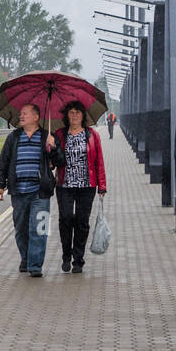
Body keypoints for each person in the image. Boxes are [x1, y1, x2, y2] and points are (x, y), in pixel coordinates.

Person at [0, 103, 64, 277]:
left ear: (35, 117)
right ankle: (25, 258)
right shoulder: (14, 137)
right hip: (18, 191)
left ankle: (35, 265)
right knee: (21, 229)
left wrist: (53, 148)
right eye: (21, 114)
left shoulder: (48, 137)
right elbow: (3, 161)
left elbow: (61, 161)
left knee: (39, 229)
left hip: (41, 192)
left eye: (24, 113)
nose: (21, 116)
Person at [53, 101, 107, 274]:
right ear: (66, 115)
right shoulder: (60, 134)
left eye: (77, 112)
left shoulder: (91, 135)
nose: (74, 115)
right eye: (71, 112)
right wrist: (51, 146)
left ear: (83, 115)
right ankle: (66, 256)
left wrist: (102, 185)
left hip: (87, 185)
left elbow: (99, 161)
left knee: (82, 223)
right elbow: (54, 160)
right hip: (65, 185)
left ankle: (78, 259)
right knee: (66, 219)